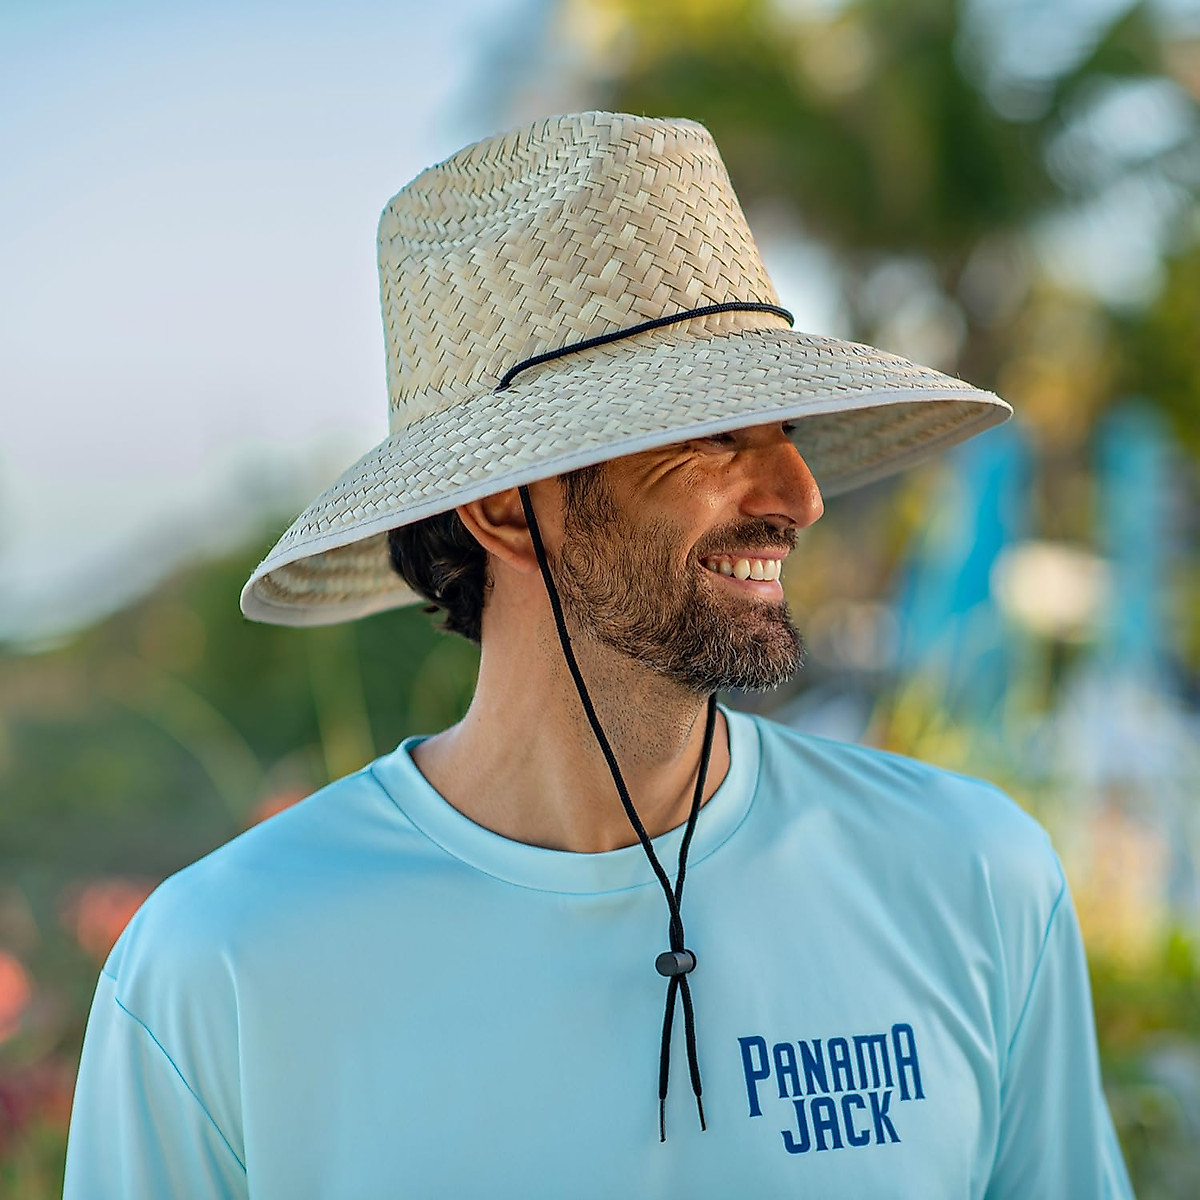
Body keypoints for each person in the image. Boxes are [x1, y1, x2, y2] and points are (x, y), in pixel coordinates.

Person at [64, 111, 1132, 1198]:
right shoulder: (221, 968)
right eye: (718, 433)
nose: (800, 498)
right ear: (503, 508)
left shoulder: (972, 878)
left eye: (789, 432)